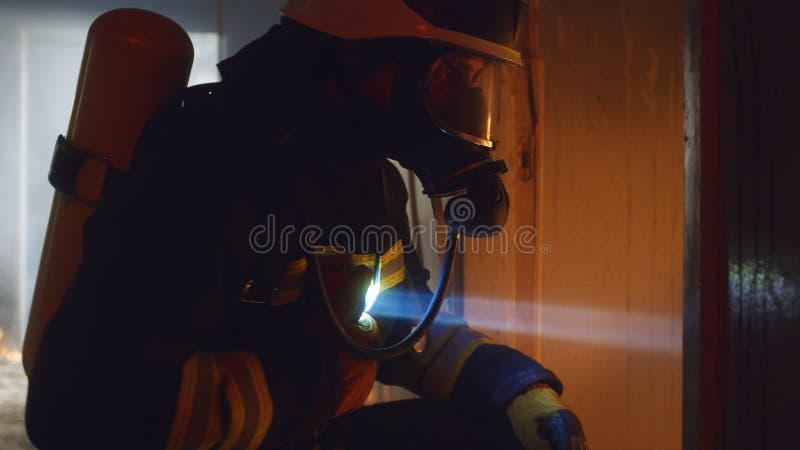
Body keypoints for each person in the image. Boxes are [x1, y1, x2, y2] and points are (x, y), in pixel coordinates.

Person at [26, 1, 586, 449]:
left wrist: (518, 390)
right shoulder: (206, 160)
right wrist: (318, 383)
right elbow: (77, 415)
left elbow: (402, 336)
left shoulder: (367, 182)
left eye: (474, 81)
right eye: (449, 75)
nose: (463, 101)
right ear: (364, 55)